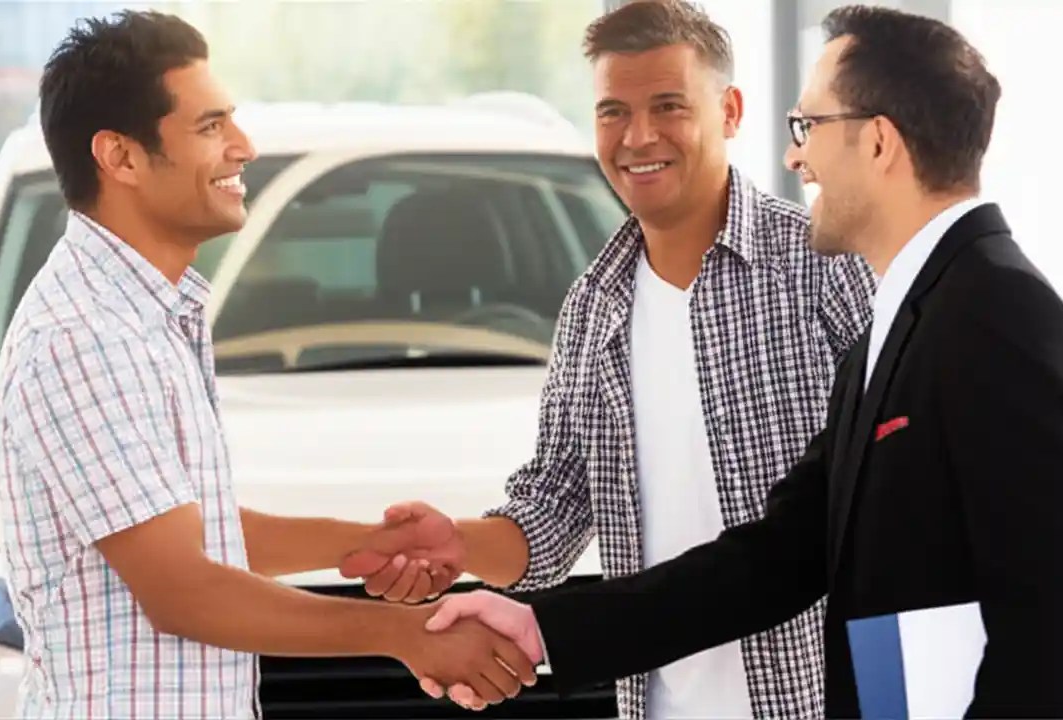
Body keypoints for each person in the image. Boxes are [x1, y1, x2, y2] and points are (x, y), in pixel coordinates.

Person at [420, 5, 1063, 718]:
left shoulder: (996, 315)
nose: (794, 156)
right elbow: (781, 555)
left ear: (877, 142)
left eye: (809, 127)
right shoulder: (908, 321)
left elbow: (1061, 623)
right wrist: (544, 629)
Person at [339, 1, 875, 718]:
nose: (638, 136)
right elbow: (553, 514)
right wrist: (459, 545)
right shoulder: (593, 310)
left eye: (668, 106)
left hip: (823, 700)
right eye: (612, 111)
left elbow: (899, 488)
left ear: (731, 111)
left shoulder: (826, 267)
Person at [0, 11, 534, 718]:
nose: (243, 147)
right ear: (120, 157)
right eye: (211, 126)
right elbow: (184, 590)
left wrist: (364, 545)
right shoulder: (83, 337)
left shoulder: (142, 317)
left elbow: (191, 529)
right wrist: (406, 636)